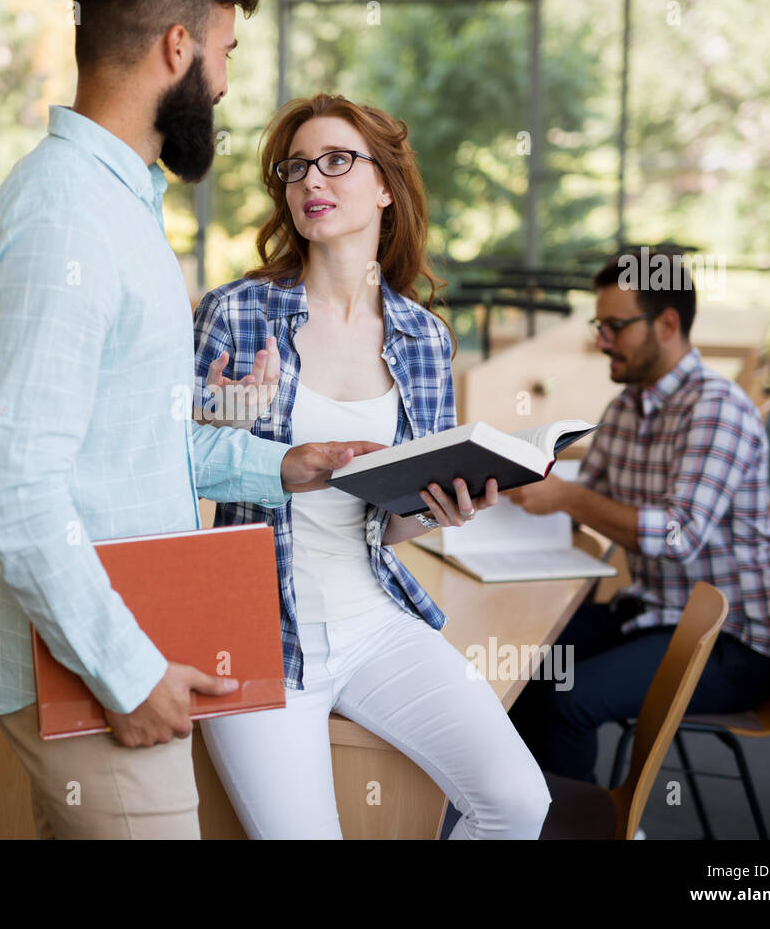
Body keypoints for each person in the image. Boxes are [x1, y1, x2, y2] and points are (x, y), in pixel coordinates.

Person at [0, 0, 380, 840]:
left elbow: (132, 437)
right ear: (177, 49)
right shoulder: (68, 221)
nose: (225, 84)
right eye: (224, 53)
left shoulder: (117, 204)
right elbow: (11, 492)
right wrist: (126, 672)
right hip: (89, 665)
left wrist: (279, 466)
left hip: (108, 641)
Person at [190, 92, 551, 839]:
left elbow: (387, 528)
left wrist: (438, 509)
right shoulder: (236, 314)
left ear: (385, 184)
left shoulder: (424, 339)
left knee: (519, 801)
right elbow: (175, 464)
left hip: (375, 620)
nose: (311, 182)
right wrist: (227, 417)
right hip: (258, 632)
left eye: (336, 162)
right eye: (295, 169)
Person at [505, 248, 770, 782]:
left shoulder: (717, 408)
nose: (600, 340)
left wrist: (569, 499)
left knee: (570, 699)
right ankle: (529, 816)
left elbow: (678, 536)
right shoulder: (628, 406)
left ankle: (579, 825)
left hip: (726, 642)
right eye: (598, 324)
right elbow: (592, 494)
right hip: (649, 612)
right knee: (524, 663)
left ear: (668, 324)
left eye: (614, 326)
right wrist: (515, 482)